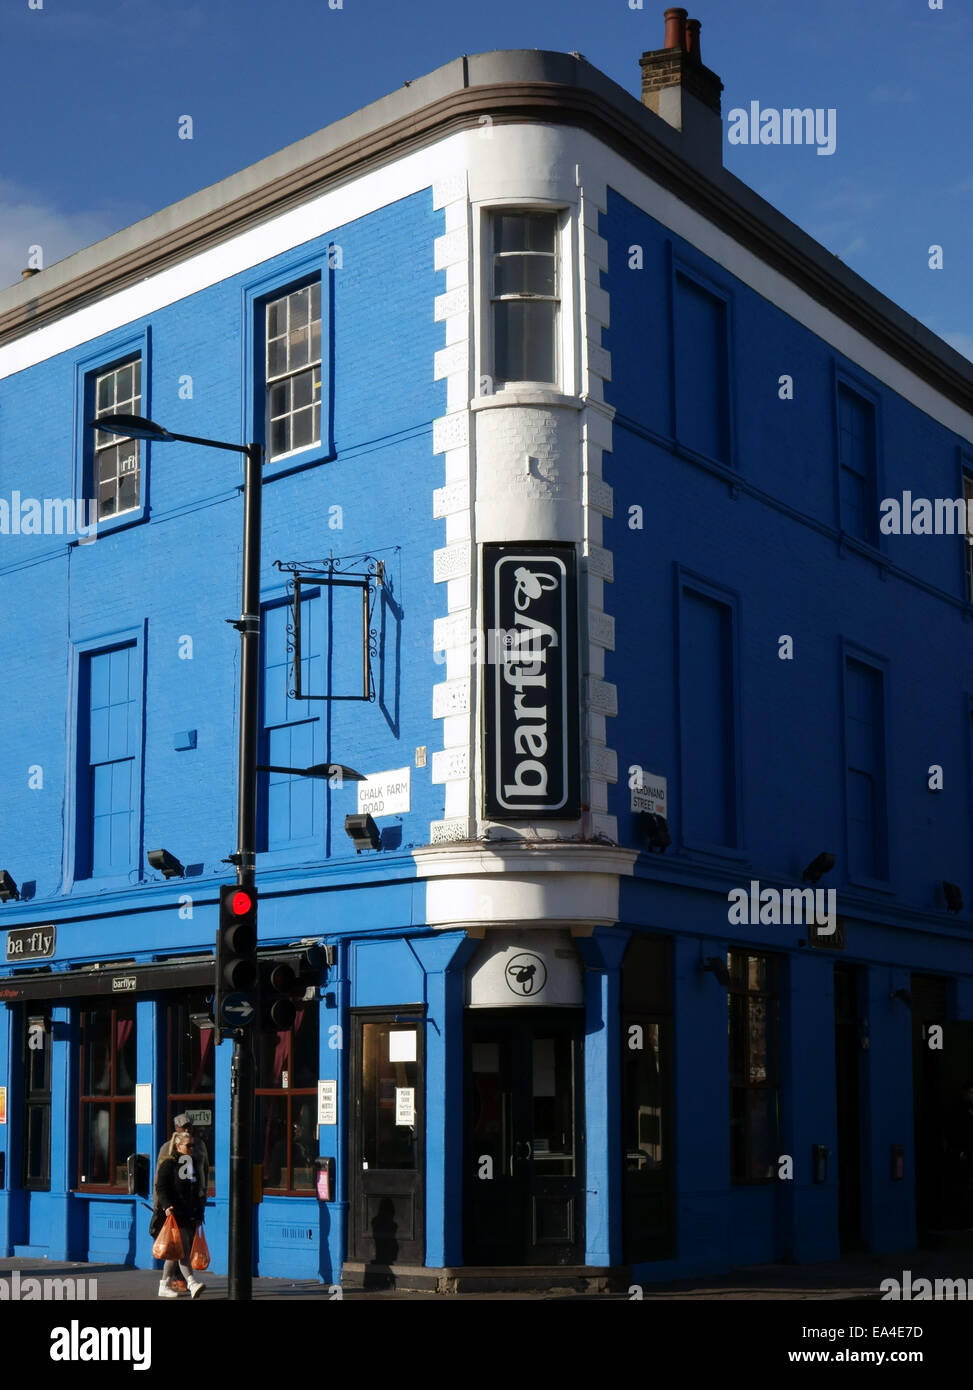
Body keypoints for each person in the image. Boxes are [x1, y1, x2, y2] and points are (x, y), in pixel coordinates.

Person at [154, 1131, 206, 1299]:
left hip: (190, 1213)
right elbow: (161, 1187)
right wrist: (166, 1205)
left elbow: (197, 1189)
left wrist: (199, 1212)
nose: (192, 1148)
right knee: (182, 1250)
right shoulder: (169, 1164)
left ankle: (164, 1284)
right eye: (188, 1145)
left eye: (193, 1145)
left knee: (176, 1252)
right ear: (178, 1146)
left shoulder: (191, 1164)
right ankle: (192, 1282)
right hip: (176, 1213)